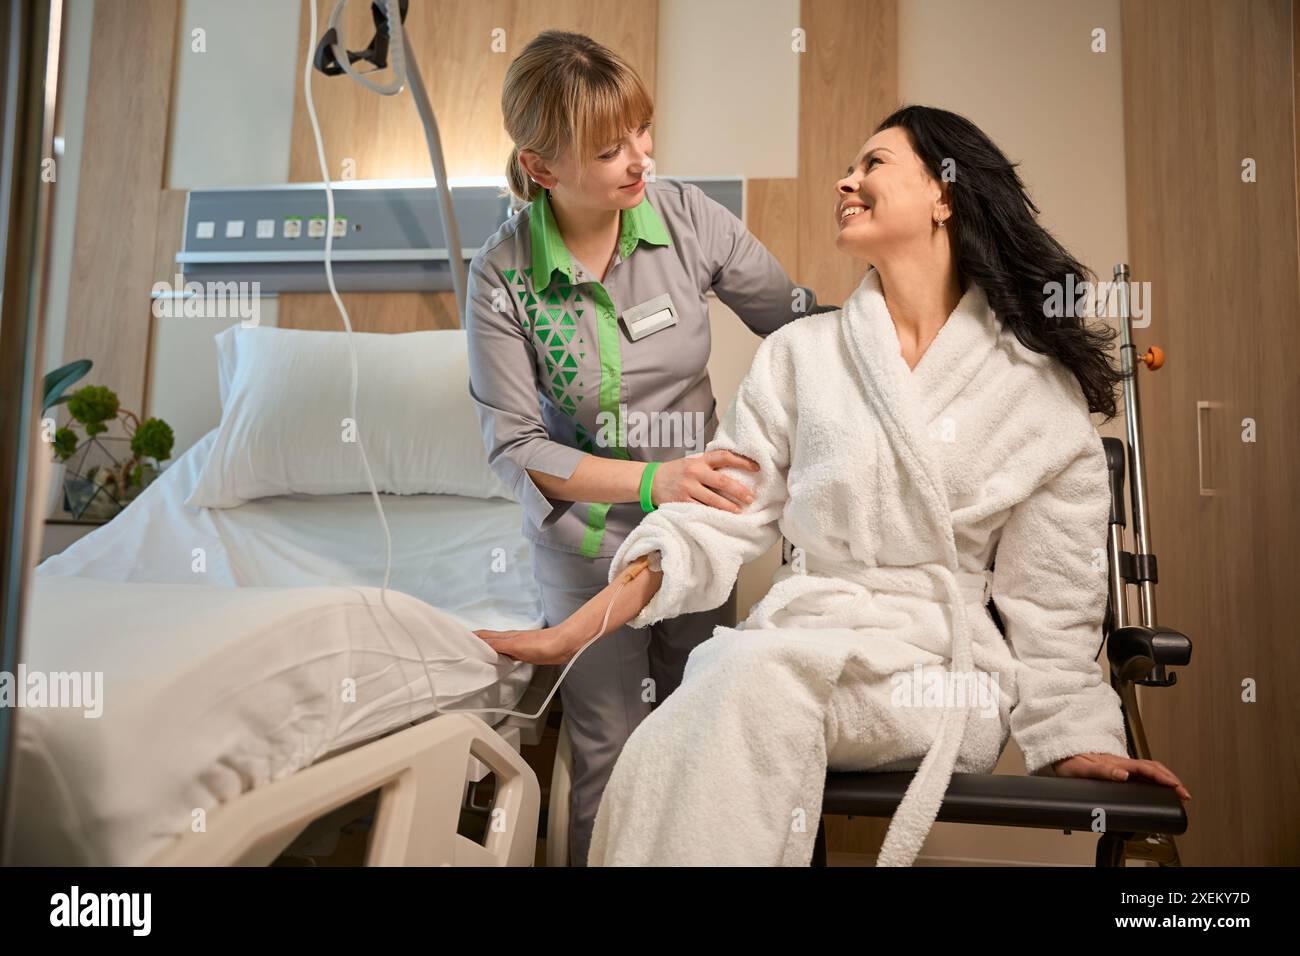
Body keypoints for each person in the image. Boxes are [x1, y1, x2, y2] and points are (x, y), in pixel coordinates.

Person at [476, 104, 1189, 866]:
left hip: (945, 676)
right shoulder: (800, 357)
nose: (845, 180)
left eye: (873, 164)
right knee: (689, 715)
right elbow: (714, 520)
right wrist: (571, 632)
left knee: (740, 685)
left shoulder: (1034, 394)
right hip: (797, 642)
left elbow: (1052, 608)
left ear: (944, 193)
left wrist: (1073, 738)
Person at [464, 30, 834, 865]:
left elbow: (800, 323)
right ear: (541, 167)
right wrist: (651, 480)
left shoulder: (684, 217)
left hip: (699, 529)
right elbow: (518, 447)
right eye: (610, 148)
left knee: (705, 730)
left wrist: (911, 333)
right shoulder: (502, 275)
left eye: (642, 132)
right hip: (584, 542)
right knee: (610, 749)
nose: (640, 160)